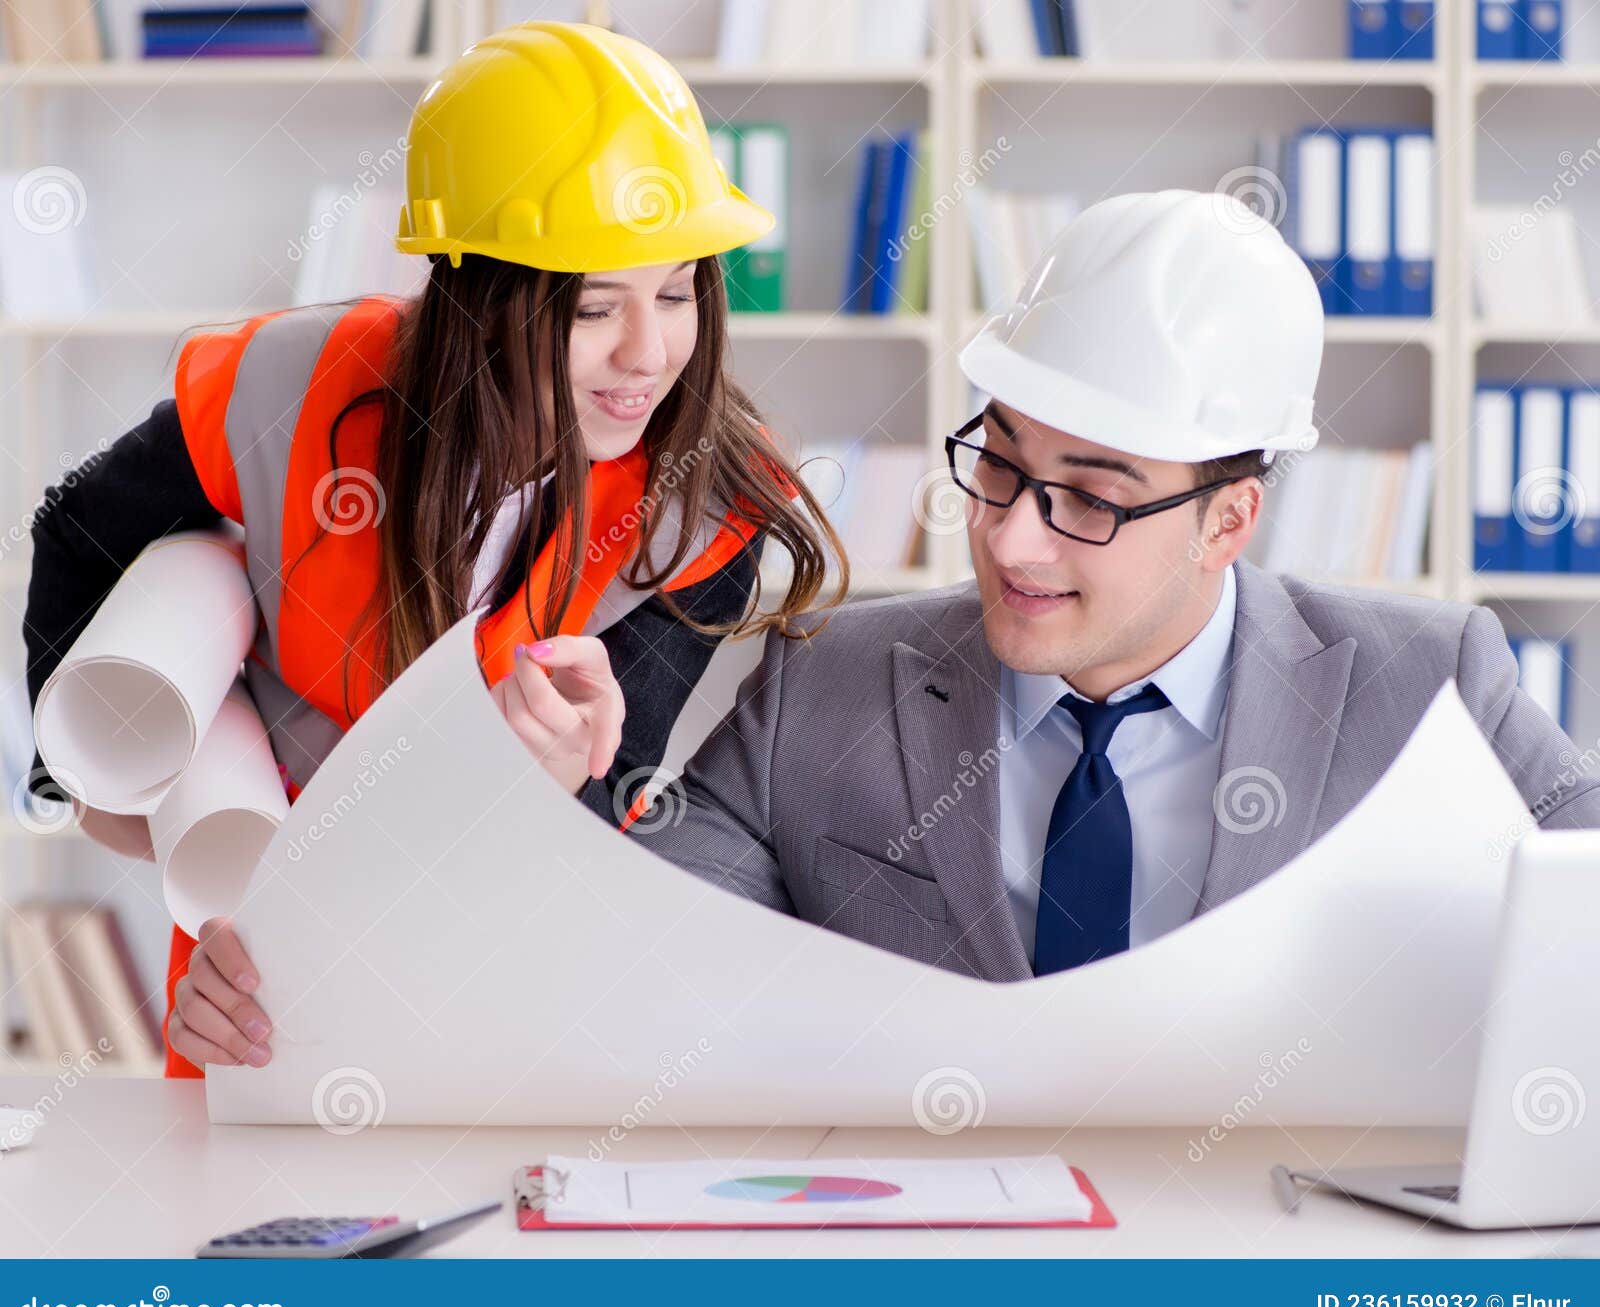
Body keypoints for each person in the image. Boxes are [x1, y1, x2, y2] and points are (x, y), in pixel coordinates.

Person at [21, 22, 844, 1074]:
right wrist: (104, 796)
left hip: (502, 1001)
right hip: (252, 967)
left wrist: (545, 792)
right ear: (478, 296)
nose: (650, 355)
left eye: (678, 293)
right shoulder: (290, 388)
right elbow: (74, 530)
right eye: (595, 305)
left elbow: (609, 824)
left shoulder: (701, 508)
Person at [618, 188, 1600, 979]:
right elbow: (647, 954)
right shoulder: (821, 684)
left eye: (1090, 500)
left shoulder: (1428, 685)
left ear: (1227, 519)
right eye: (997, 463)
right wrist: (552, 780)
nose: (1011, 540)